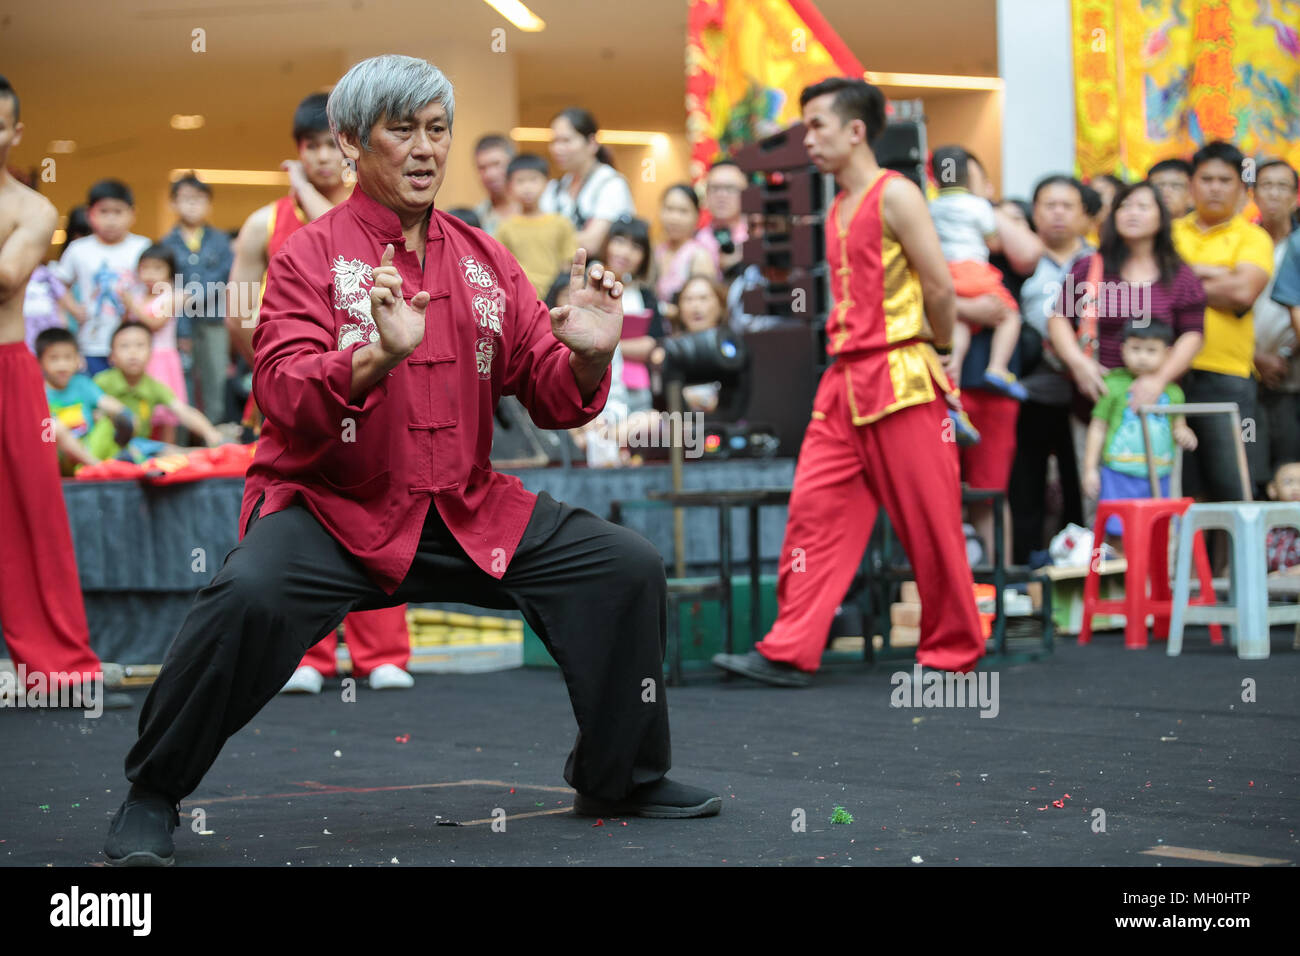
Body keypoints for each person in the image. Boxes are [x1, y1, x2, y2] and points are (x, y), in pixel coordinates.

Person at [103, 55, 720, 867]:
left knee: (624, 568)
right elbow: (282, 393)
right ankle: (152, 796)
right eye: (403, 130)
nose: (426, 149)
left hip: (466, 506)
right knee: (244, 597)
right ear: (354, 142)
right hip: (334, 509)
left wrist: (591, 360)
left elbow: (549, 393)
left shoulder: (485, 259)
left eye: (438, 130)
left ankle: (620, 775)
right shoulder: (310, 256)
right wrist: (369, 360)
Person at [712, 77, 984, 687]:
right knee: (814, 513)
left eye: (816, 125)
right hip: (843, 381)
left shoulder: (898, 194)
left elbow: (939, 288)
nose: (806, 138)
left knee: (930, 519)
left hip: (902, 373)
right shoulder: (836, 206)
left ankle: (956, 648)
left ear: (856, 130)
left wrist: (939, 351)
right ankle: (789, 646)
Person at [224, 91, 415, 694]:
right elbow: (236, 307)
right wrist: (279, 365)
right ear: (297, 152)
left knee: (383, 507)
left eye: (331, 145)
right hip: (301, 385)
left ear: (351, 147)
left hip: (373, 384)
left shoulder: (385, 214)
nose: (322, 158)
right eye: (309, 147)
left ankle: (381, 651)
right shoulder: (264, 223)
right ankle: (302, 655)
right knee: (296, 513)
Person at [0, 74, 129, 708]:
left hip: (9, 369)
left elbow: (4, 276)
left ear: (15, 133)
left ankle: (58, 669)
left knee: (34, 517)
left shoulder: (32, 208)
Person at [1171, 141, 1273, 502]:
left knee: (1235, 482)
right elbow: (1151, 285)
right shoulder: (1169, 234)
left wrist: (1182, 276)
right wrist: (1216, 276)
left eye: (1225, 180)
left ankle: (1235, 562)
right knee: (1181, 488)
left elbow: (1243, 292)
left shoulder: (1253, 237)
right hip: (1170, 375)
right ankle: (1189, 561)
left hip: (1229, 378)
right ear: (1192, 185)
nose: (1215, 187)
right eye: (1207, 179)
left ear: (1242, 189)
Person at [1049, 180, 1206, 414]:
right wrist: (1078, 363)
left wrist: (1159, 380)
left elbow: (1192, 334)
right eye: (1124, 206)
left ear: (1161, 217)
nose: (1132, 213)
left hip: (1157, 401)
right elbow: (1059, 317)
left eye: (1143, 207)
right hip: (1095, 396)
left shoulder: (1180, 275)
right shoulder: (1090, 266)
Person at [1007, 175, 1094, 563]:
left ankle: (1083, 570)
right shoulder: (1019, 261)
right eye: (1049, 205)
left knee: (1082, 484)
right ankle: (1027, 571)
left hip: (1085, 393)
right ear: (1035, 211)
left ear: (1083, 214)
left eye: (1067, 205)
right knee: (1026, 483)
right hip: (1032, 389)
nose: (1058, 213)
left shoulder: (1099, 261)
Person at [1082, 321, 1198, 538]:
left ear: (1167, 353)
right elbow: (1097, 427)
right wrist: (1089, 469)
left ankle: (1148, 572)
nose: (1142, 357)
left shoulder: (1173, 392)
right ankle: (1123, 570)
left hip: (1159, 474)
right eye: (1135, 349)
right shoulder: (1113, 385)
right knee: (1118, 531)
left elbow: (1179, 425)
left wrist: (1185, 433)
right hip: (1118, 472)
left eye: (1151, 350)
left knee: (1156, 530)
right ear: (1123, 349)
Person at [929, 145, 1026, 400]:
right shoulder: (978, 205)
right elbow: (993, 243)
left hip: (945, 274)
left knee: (958, 327)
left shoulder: (931, 206)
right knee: (1010, 316)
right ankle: (997, 368)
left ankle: (952, 384)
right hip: (973, 271)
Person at [158, 174, 235, 424]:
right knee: (181, 380)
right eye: (185, 199)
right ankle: (182, 443)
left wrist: (189, 296)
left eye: (199, 199)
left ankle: (214, 437)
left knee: (215, 377)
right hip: (178, 324)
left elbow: (224, 277)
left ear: (209, 204)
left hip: (214, 320)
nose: (192, 205)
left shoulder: (221, 241)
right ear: (173, 204)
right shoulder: (165, 245)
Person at [58, 179, 151, 375]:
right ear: (89, 214)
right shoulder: (78, 249)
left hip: (134, 344)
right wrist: (73, 309)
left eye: (118, 212)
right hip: (91, 342)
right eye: (103, 212)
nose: (111, 219)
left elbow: (161, 286)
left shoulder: (143, 247)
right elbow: (58, 283)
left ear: (132, 214)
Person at [94, 321, 223, 457]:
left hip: (140, 445)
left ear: (151, 353)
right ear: (112, 356)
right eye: (124, 346)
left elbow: (183, 411)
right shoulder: (102, 381)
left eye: (140, 345)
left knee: (179, 453)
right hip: (106, 445)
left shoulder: (153, 386)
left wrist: (209, 432)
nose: (133, 352)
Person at [1250, 159, 1300, 486]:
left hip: (1291, 372)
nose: (1274, 194)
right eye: (1266, 185)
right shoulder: (1244, 243)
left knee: (1290, 466)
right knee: (1251, 464)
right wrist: (1255, 357)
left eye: (1282, 186)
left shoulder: (1297, 246)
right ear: (1253, 193)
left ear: (1295, 196)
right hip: (1244, 371)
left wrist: (1284, 354)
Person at [541, 107, 634, 255]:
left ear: (591, 143)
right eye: (554, 141)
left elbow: (592, 243)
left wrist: (540, 242)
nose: (557, 148)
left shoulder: (611, 184)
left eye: (566, 140)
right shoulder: (556, 187)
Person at [37, 327, 132, 474]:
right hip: (59, 456)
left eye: (68, 358)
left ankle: (109, 462)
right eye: (54, 358)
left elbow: (107, 402)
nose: (62, 365)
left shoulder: (82, 383)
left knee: (108, 419)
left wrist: (125, 415)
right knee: (53, 427)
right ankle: (99, 468)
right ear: (40, 362)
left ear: (77, 359)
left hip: (89, 447)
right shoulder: (38, 391)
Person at [594, 215, 663, 412]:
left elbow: (654, 343)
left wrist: (605, 346)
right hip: (591, 383)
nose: (625, 252)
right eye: (620, 241)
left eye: (636, 247)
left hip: (635, 389)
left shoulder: (645, 295)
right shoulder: (584, 283)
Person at [121, 244, 187, 444]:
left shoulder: (175, 296)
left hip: (162, 358)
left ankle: (168, 452)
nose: (150, 274)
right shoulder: (138, 296)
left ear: (170, 271)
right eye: (145, 268)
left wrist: (133, 305)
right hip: (138, 359)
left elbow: (155, 323)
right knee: (141, 408)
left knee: (166, 414)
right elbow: (126, 326)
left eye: (157, 268)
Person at [495, 153, 576, 297]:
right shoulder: (505, 227)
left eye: (533, 180)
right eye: (520, 181)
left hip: (555, 298)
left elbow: (567, 264)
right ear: (509, 186)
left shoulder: (561, 223)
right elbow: (500, 266)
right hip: (520, 297)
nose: (527, 187)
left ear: (546, 183)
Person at [653, 183, 718, 313]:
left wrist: (665, 311)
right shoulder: (657, 251)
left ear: (697, 216)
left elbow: (705, 310)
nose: (674, 218)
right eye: (669, 209)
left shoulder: (699, 255)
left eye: (683, 211)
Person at [696, 160, 750, 281]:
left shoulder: (757, 235)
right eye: (715, 188)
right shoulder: (696, 240)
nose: (721, 195)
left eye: (730, 188)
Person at [471, 134, 518, 237]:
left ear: (513, 164)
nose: (490, 174)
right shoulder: (477, 217)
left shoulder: (542, 208)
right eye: (482, 168)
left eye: (496, 164)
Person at [1264, 460, 1300, 573]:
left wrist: (1283, 575)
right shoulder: (1267, 523)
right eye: (1288, 482)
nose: (1296, 488)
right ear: (1272, 489)